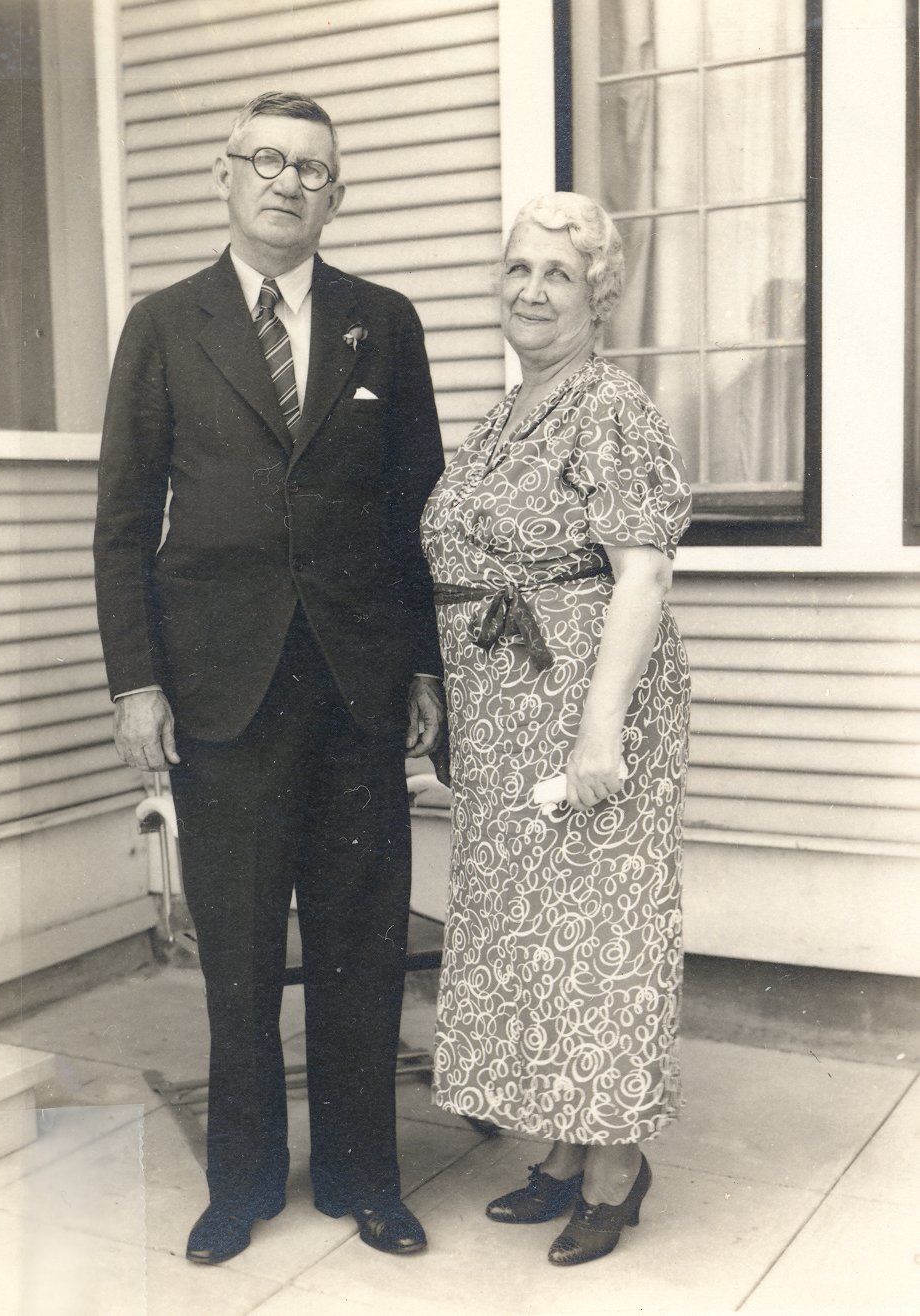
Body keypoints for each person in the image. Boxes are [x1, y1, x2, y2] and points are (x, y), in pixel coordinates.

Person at [93, 91, 446, 1265]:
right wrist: (136, 680)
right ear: (223, 173)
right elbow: (123, 519)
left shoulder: (381, 323)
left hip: (354, 685)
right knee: (238, 949)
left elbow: (416, 514)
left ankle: (363, 1174)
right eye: (266, 160)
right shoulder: (164, 323)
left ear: (335, 194)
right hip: (221, 686)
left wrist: (425, 665)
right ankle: (239, 1181)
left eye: (313, 169)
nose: (288, 182)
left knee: (358, 938)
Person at [420, 193, 691, 1267]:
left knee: (599, 933)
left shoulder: (607, 404)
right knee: (535, 939)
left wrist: (598, 732)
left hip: (587, 699)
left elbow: (642, 570)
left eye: (557, 275)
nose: (530, 290)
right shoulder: (507, 410)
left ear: (597, 296)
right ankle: (568, 1151)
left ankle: (616, 1163)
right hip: (503, 708)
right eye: (516, 268)